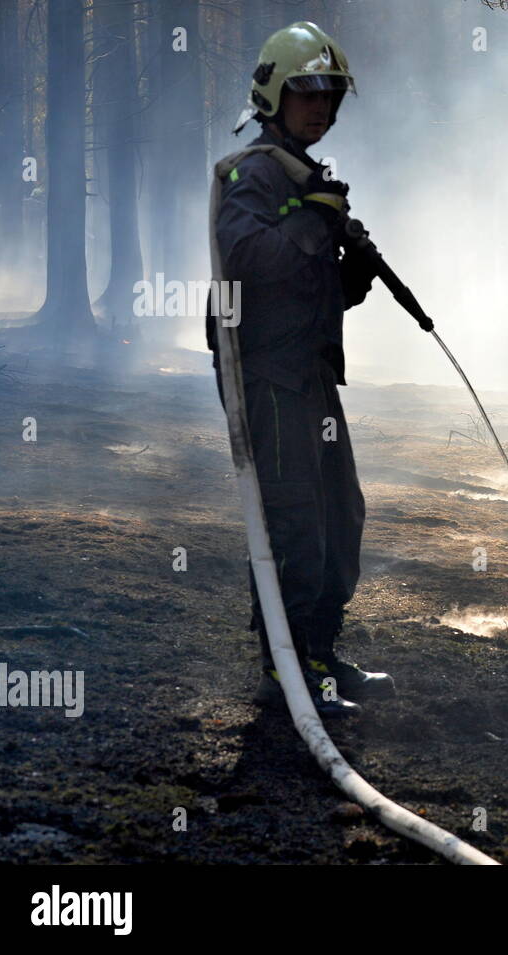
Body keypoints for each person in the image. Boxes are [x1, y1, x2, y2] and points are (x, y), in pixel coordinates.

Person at [207, 21, 391, 717]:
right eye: (307, 91)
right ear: (275, 94)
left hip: (310, 375)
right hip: (270, 377)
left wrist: (353, 274)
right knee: (294, 523)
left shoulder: (301, 174)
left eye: (331, 94)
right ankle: (284, 670)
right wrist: (315, 227)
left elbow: (307, 286)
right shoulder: (253, 172)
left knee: (340, 516)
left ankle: (317, 653)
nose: (320, 106)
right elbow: (246, 260)